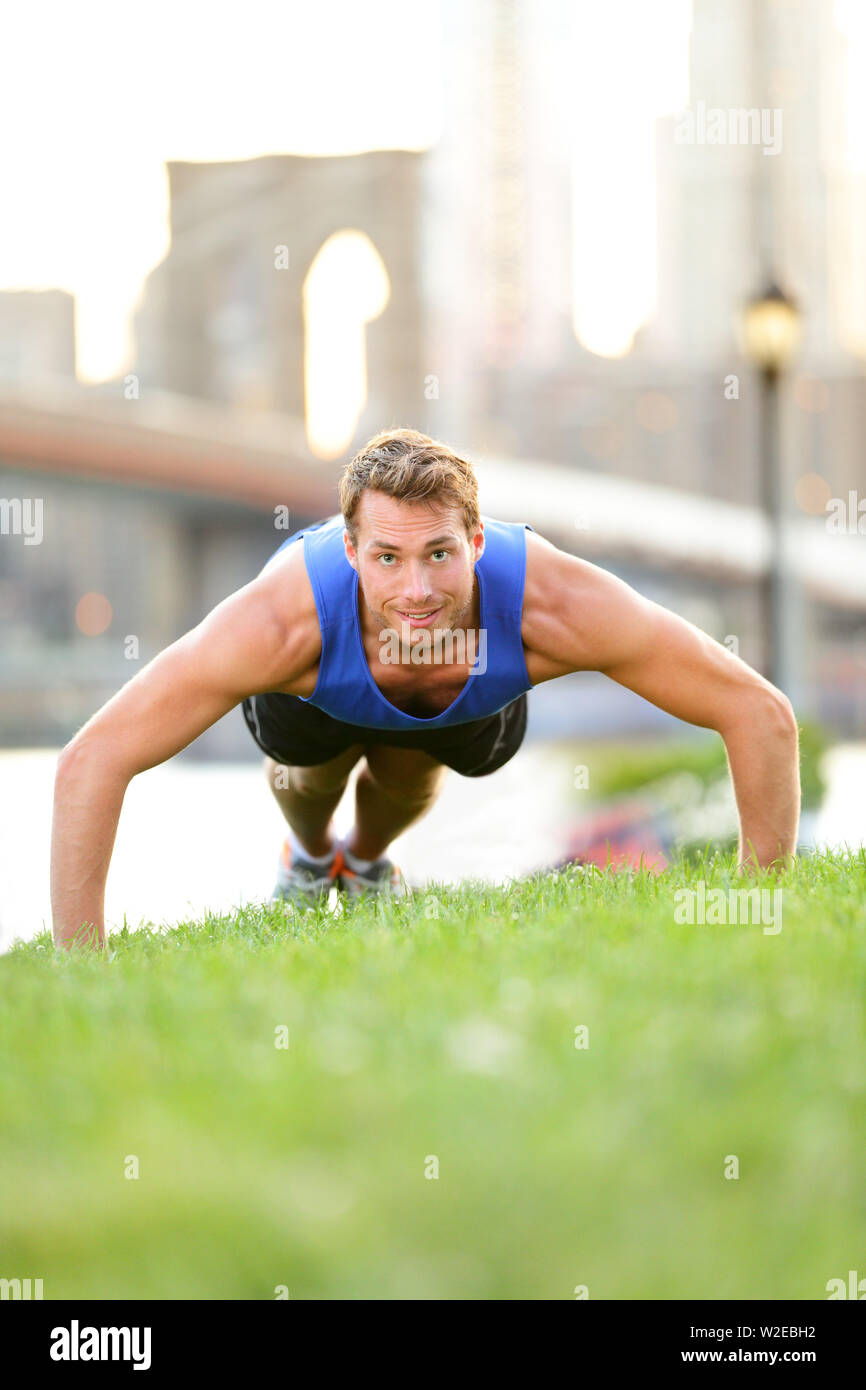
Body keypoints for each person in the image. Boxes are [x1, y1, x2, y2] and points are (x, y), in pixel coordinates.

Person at [51, 428, 800, 948]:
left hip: (464, 711)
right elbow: (93, 760)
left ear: (476, 540)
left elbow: (757, 711)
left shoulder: (557, 605)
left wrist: (756, 902)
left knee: (408, 761)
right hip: (314, 701)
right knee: (309, 774)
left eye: (440, 554)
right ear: (350, 551)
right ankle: (311, 861)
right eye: (386, 558)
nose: (416, 589)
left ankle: (368, 863)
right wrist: (83, 963)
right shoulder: (279, 622)